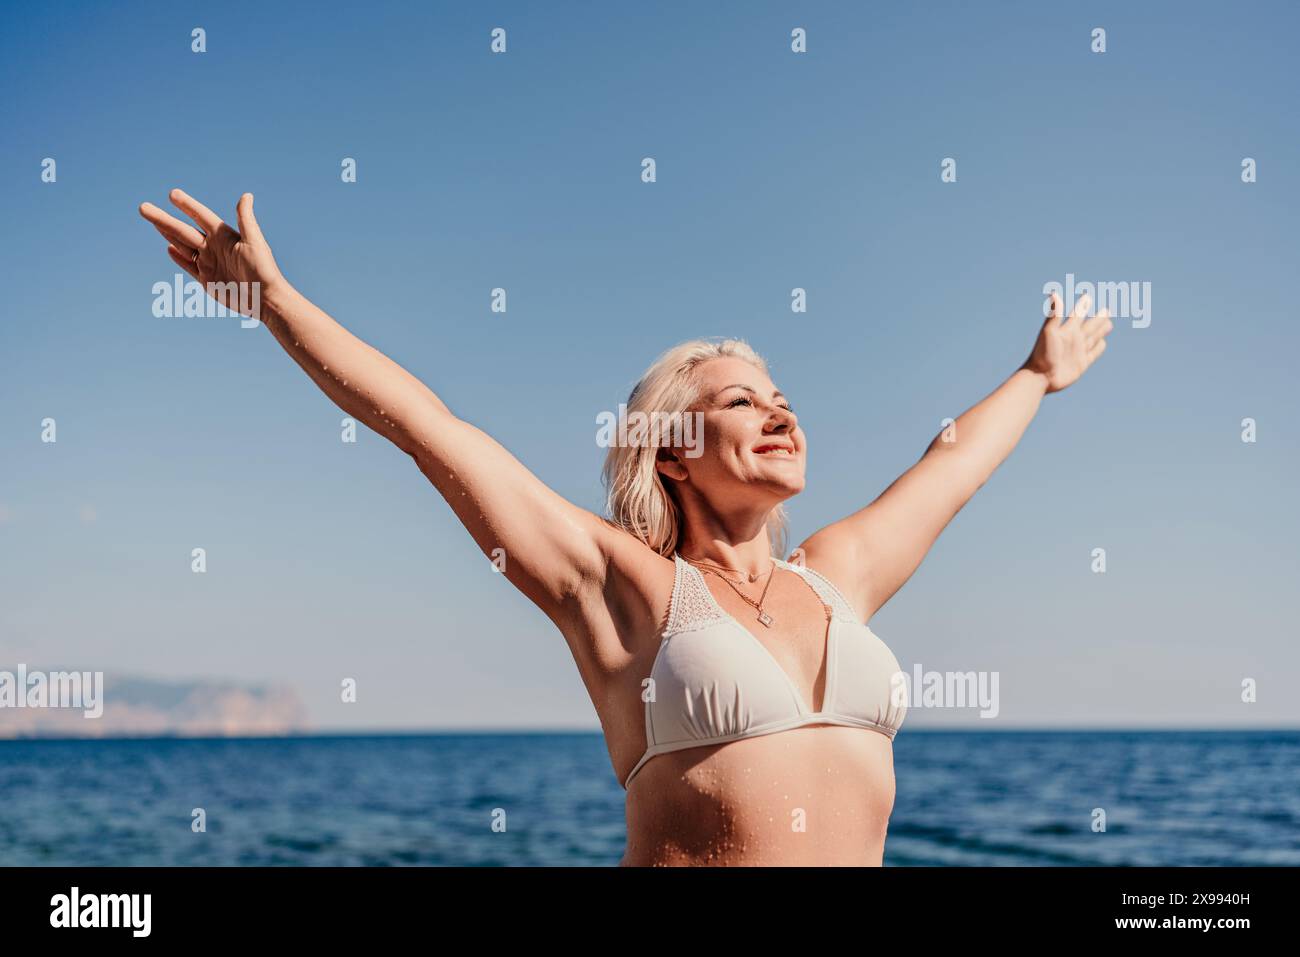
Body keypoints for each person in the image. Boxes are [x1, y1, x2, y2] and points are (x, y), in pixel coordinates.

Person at [138, 189, 1113, 865]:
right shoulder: (629, 590)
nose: (781, 414)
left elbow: (952, 467)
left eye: (784, 398)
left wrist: (1036, 376)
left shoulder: (838, 574)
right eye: (742, 401)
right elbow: (430, 430)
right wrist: (271, 301)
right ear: (671, 454)